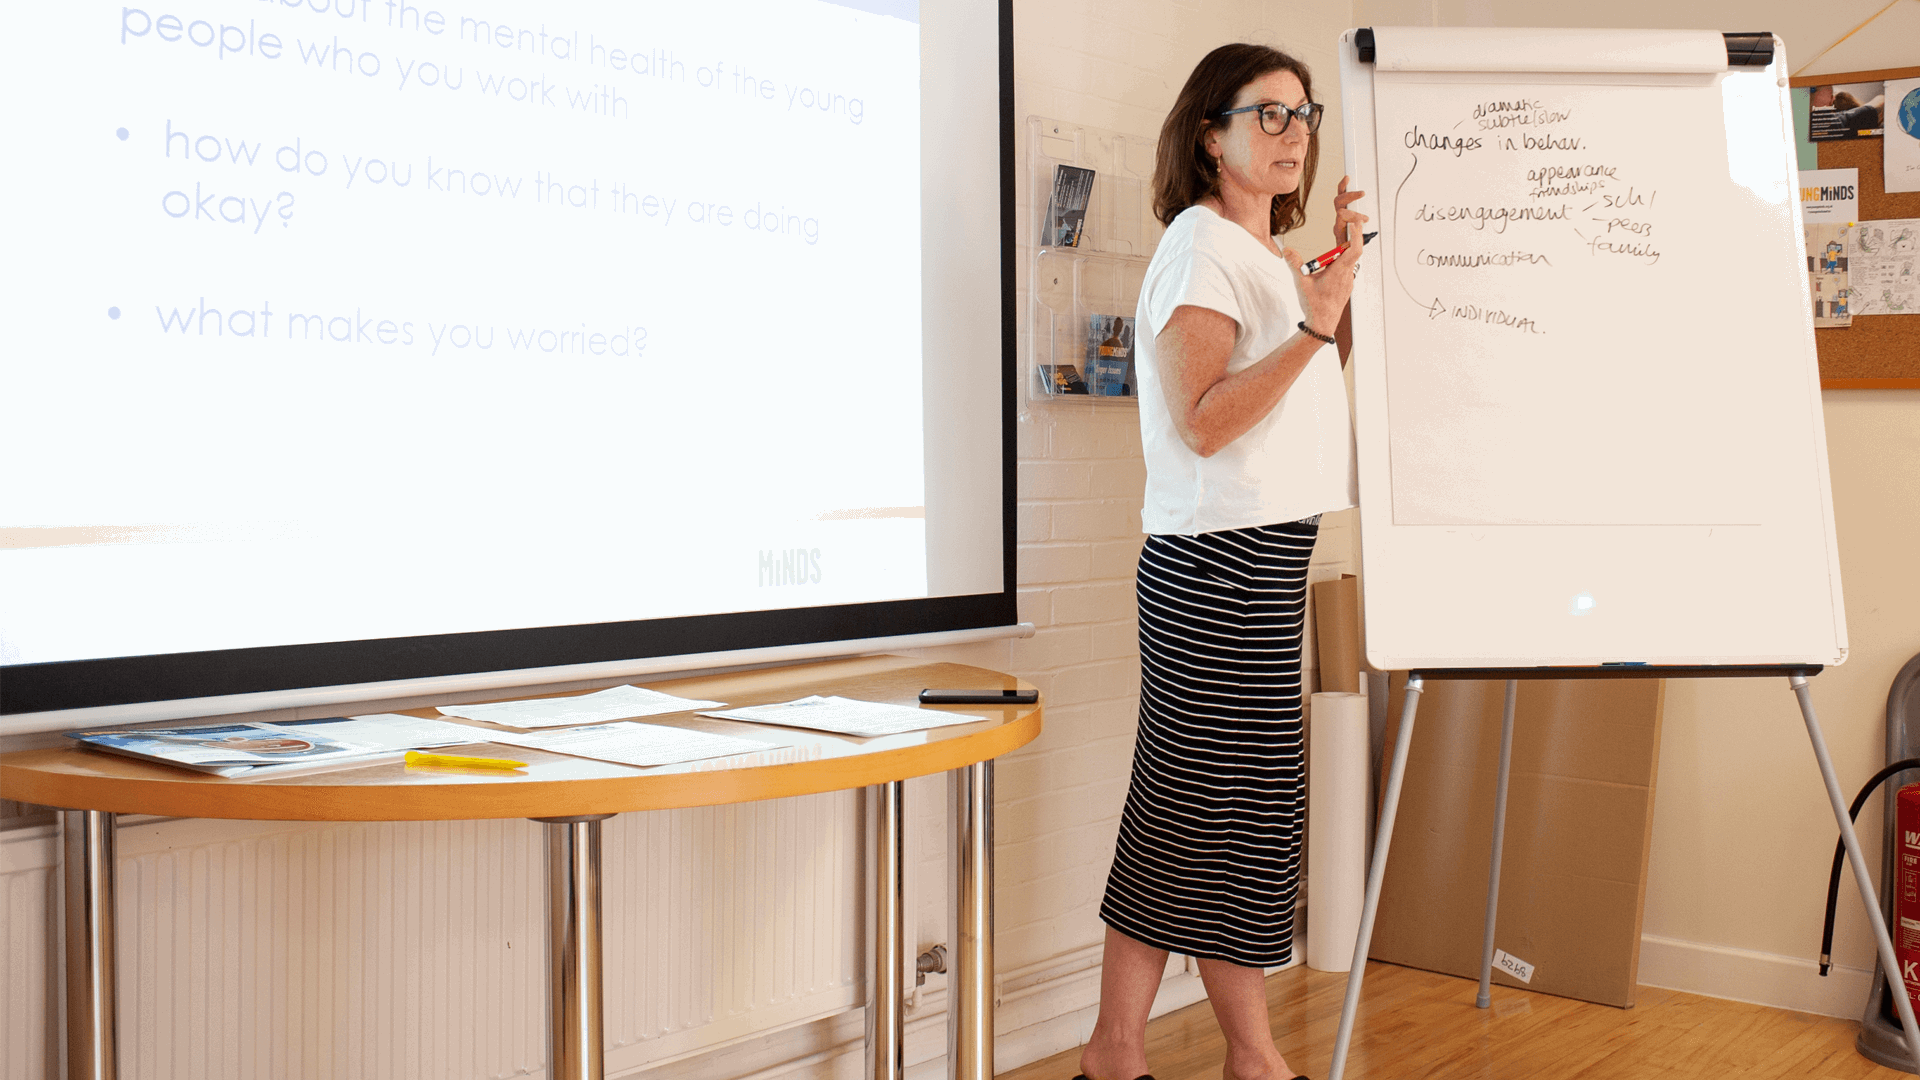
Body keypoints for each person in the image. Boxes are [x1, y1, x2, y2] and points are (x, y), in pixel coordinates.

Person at [1076, 43, 1366, 1080]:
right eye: (1268, 115)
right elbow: (1203, 425)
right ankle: (1172, 1052)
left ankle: (1207, 1052)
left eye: (1303, 115)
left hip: (1262, 563)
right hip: (1212, 569)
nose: (1293, 135)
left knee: (1237, 819)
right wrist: (1313, 329)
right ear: (1211, 133)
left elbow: (1298, 403)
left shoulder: (1272, 260)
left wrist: (1329, 298)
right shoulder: (1199, 247)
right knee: (1196, 812)